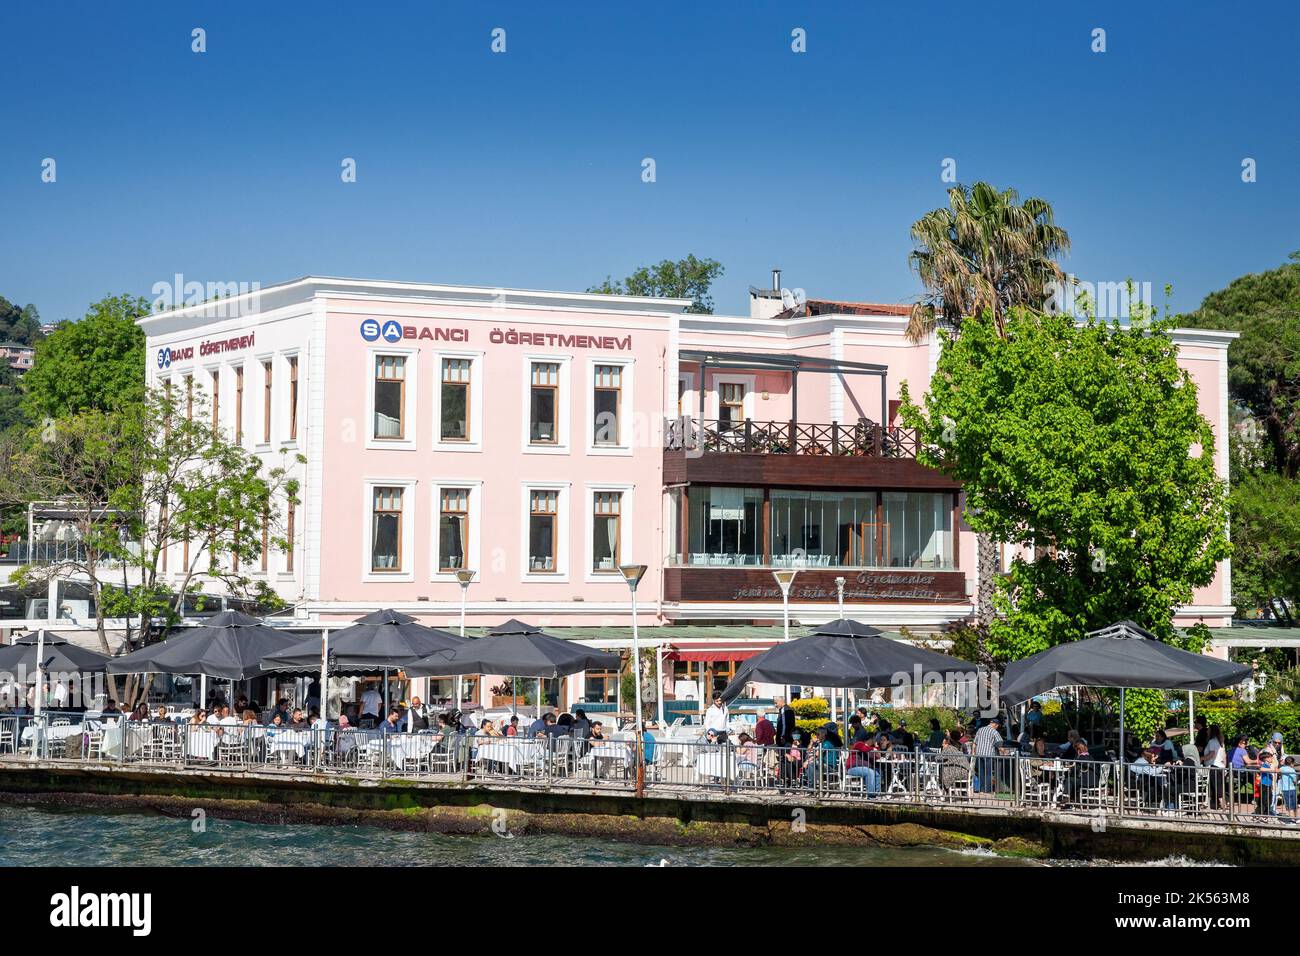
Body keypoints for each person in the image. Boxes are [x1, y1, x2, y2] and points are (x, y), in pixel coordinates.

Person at [973, 717, 1003, 793]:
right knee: (988, 773)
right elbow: (999, 743)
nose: (997, 727)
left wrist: (974, 753)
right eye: (997, 725)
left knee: (981, 773)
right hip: (988, 754)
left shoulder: (980, 729)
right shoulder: (994, 731)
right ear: (995, 725)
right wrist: (1004, 752)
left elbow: (974, 743)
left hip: (979, 754)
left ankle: (982, 790)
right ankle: (987, 790)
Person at [1279, 756, 1297, 821]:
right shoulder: (1292, 770)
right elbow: (1295, 780)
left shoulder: (1282, 768)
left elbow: (1277, 771)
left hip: (1285, 789)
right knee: (1294, 804)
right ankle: (1296, 818)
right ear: (1291, 763)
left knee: (1289, 805)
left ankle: (1292, 819)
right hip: (1293, 789)